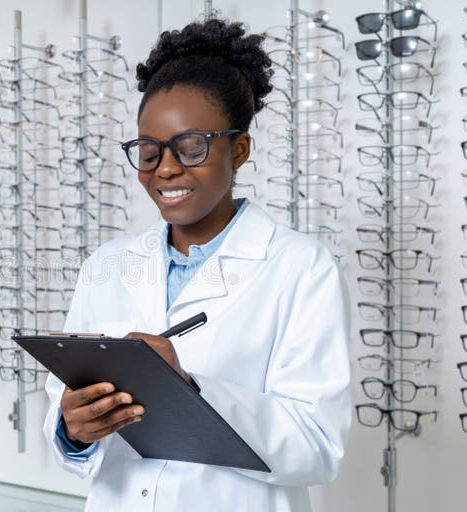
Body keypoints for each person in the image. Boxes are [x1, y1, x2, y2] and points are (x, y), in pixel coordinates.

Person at [43, 16, 351, 512]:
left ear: (240, 149)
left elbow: (318, 447)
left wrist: (188, 391)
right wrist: (73, 429)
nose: (165, 168)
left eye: (191, 148)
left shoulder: (301, 268)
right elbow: (62, 407)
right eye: (149, 150)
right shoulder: (108, 264)